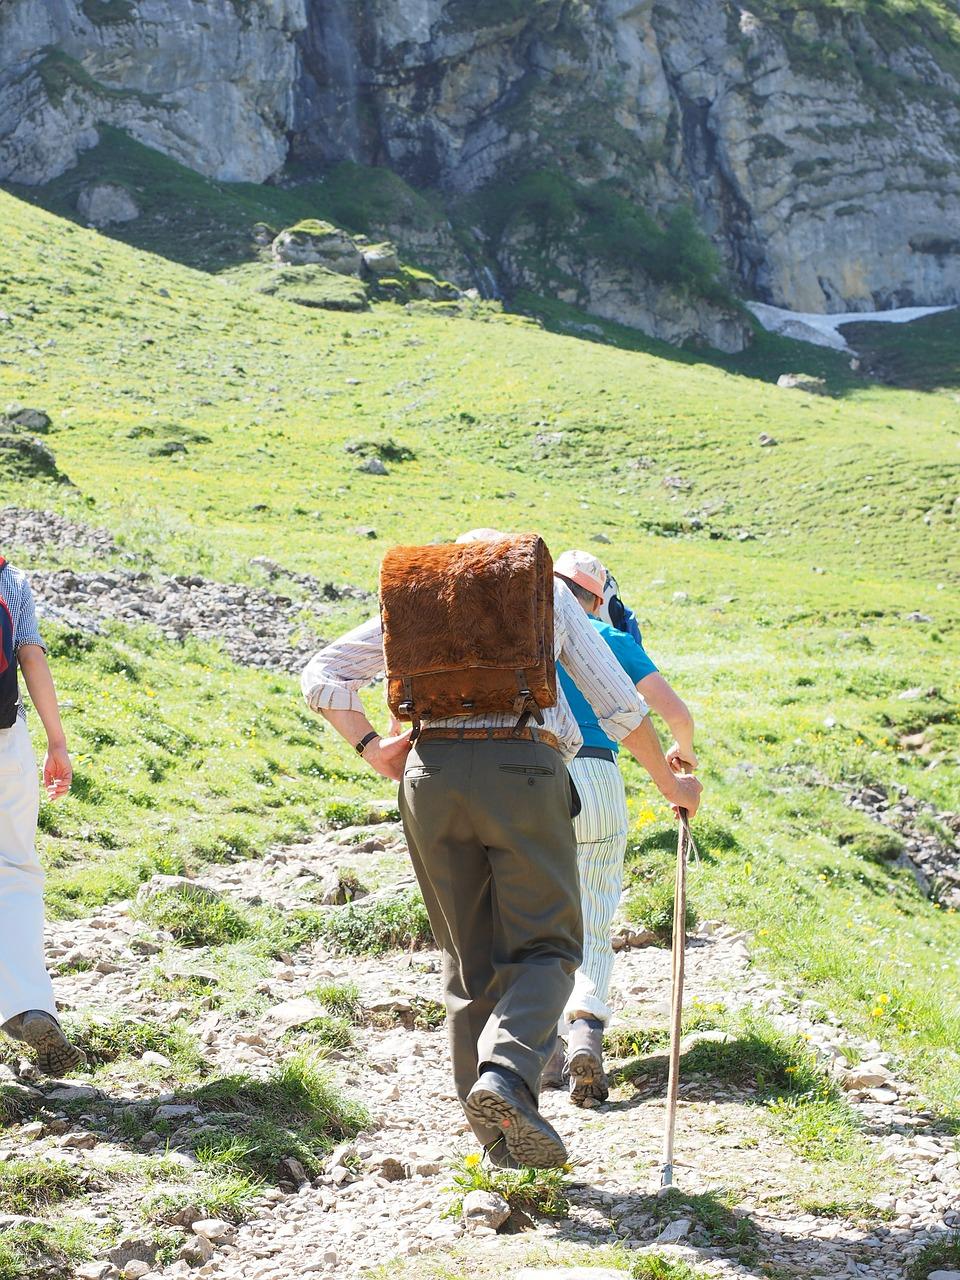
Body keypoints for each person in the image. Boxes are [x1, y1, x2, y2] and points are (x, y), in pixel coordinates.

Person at [301, 530, 701, 1169]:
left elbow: (322, 674)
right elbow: (618, 704)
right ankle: (510, 1073)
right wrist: (671, 783)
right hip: (523, 769)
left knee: (467, 963)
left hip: (429, 776)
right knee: (549, 945)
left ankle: (499, 1152)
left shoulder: (423, 598)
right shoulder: (540, 592)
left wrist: (370, 747)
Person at [545, 550, 696, 1106]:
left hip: (535, 776)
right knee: (594, 910)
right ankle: (586, 1028)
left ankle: (543, 1051)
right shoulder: (611, 638)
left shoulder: (529, 637)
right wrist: (682, 753)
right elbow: (676, 714)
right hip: (599, 775)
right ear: (598, 597)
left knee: (535, 911)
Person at [0, 556, 80, 1075]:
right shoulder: (8, 578)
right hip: (6, 742)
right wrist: (57, 743)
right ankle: (28, 1004)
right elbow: (31, 657)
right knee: (15, 872)